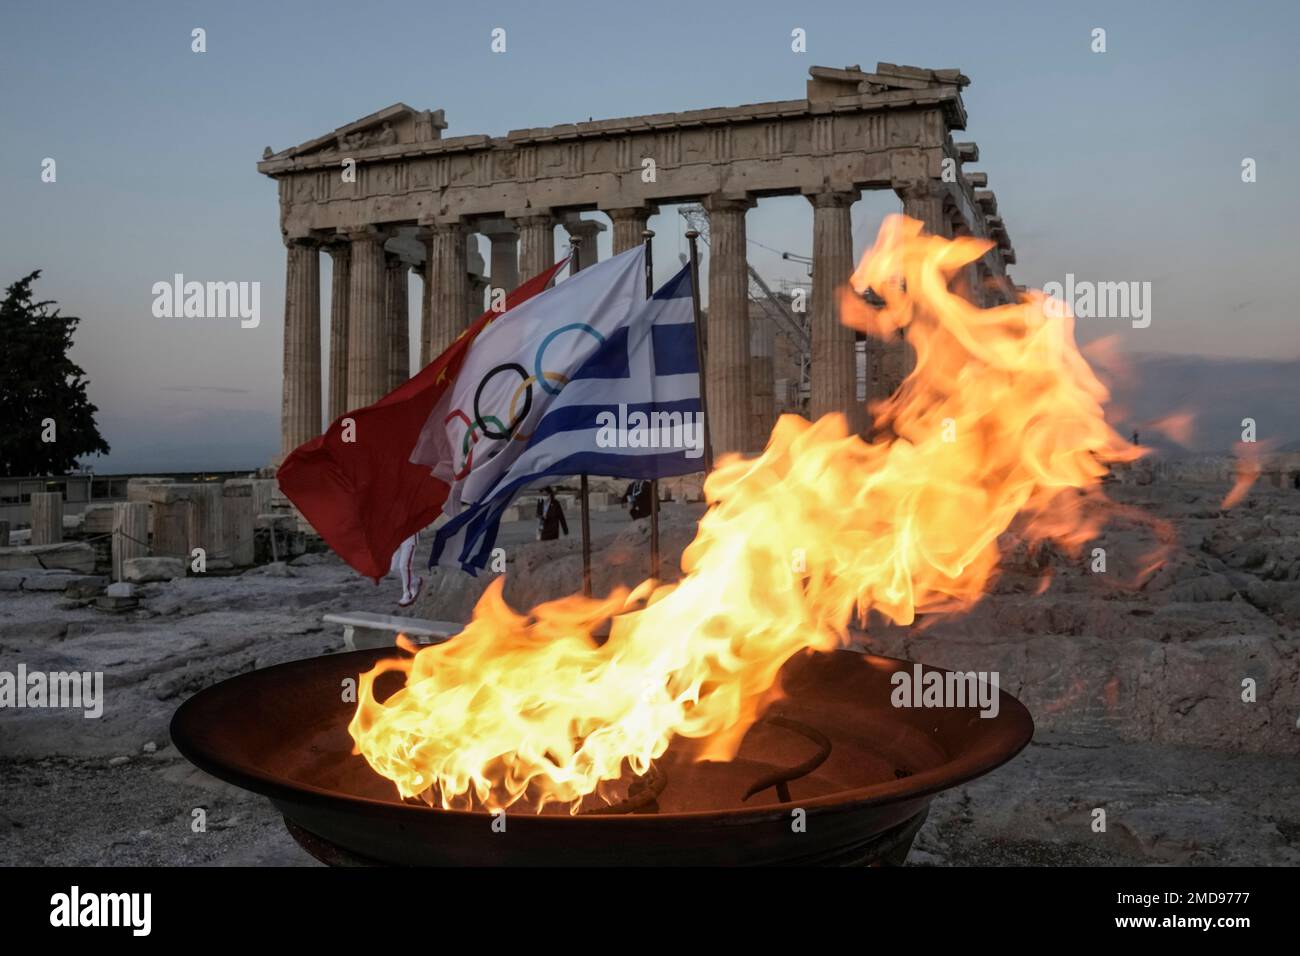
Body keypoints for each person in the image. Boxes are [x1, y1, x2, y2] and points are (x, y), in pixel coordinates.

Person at [390, 532, 423, 607]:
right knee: (394, 567)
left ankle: (407, 594)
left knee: (404, 566)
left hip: (410, 536)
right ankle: (415, 581)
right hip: (397, 535)